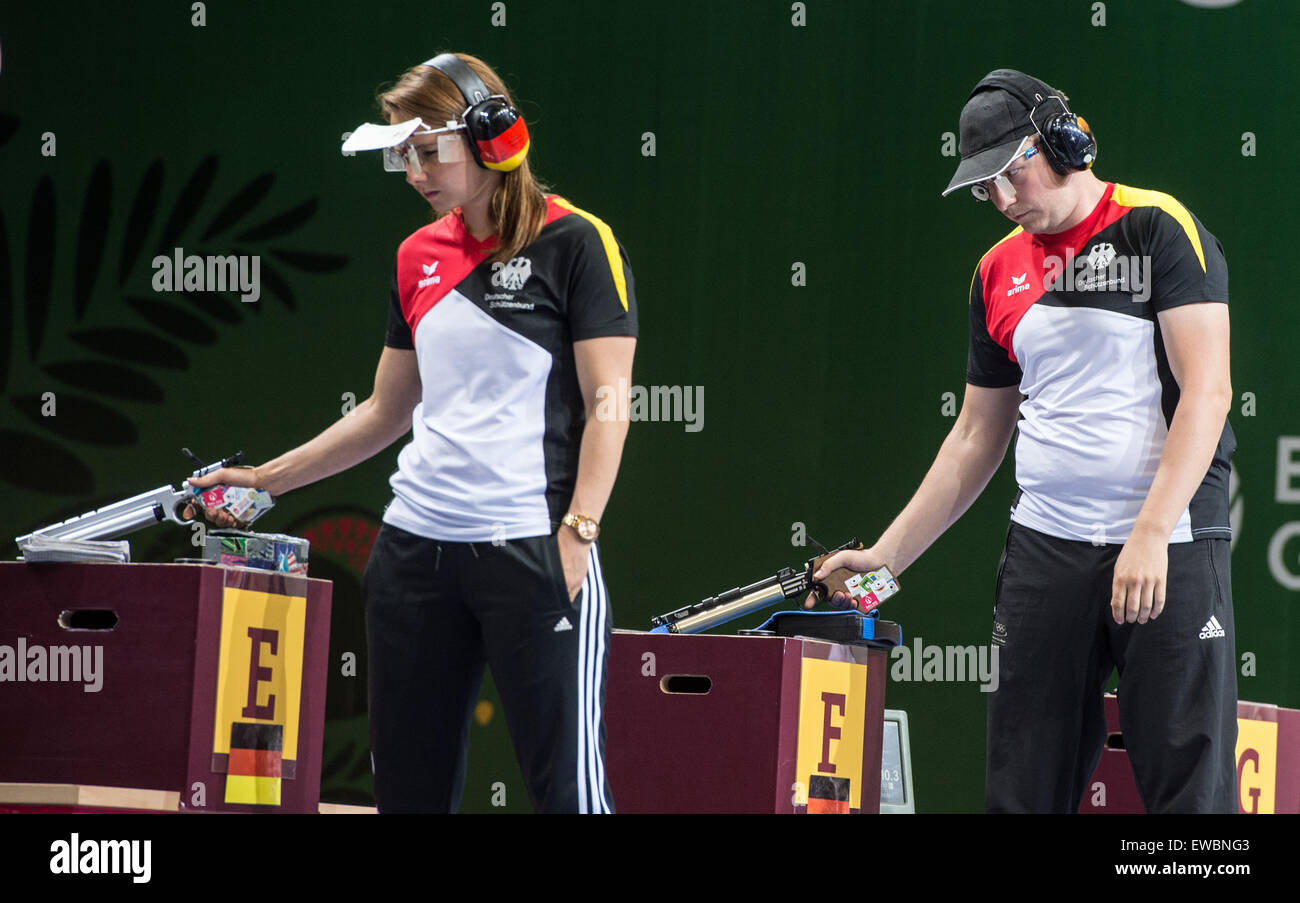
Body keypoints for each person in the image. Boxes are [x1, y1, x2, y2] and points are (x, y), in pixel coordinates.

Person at [189, 52, 637, 813]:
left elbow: (610, 400)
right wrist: (266, 479)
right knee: (408, 795)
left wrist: (578, 533)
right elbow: (385, 411)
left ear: (496, 139)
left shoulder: (578, 242)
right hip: (413, 557)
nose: (414, 172)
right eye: (402, 154)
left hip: (535, 547)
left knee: (568, 793)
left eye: (428, 150)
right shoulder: (415, 256)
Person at [811, 69, 1236, 813]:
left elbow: (1208, 392)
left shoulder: (1156, 224)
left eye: (1012, 173)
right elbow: (977, 433)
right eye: (984, 189)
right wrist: (883, 558)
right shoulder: (995, 270)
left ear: (1065, 142)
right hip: (1045, 550)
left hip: (1168, 543)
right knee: (1021, 792)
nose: (1004, 201)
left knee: (1191, 797)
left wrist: (1149, 532)